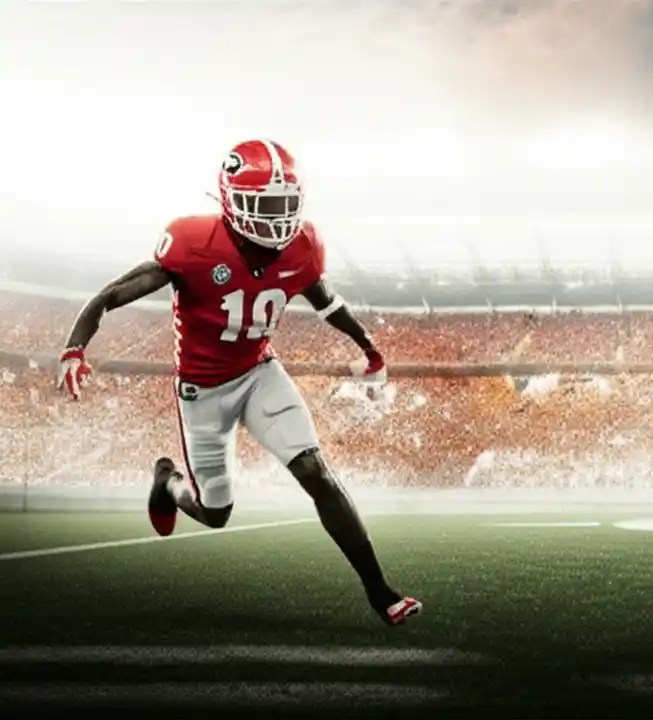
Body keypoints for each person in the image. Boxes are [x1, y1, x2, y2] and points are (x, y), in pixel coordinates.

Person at [56, 139, 421, 626]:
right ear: (232, 200)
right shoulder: (192, 244)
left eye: (287, 204)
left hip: (259, 373)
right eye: (268, 205)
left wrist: (370, 348)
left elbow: (326, 302)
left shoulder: (304, 245)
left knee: (315, 471)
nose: (280, 217)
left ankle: (381, 592)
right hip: (203, 391)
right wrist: (76, 346)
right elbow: (113, 293)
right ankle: (167, 482)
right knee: (216, 513)